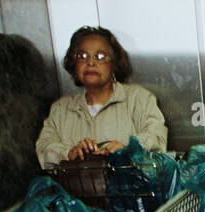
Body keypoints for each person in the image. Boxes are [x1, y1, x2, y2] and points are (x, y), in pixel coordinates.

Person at [35, 25, 167, 169]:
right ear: (74, 64)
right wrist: (68, 153)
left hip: (130, 190)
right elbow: (44, 147)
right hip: (76, 190)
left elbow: (157, 139)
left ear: (114, 64)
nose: (91, 63)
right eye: (82, 56)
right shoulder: (60, 109)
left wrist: (128, 149)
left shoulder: (139, 99)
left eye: (100, 57)